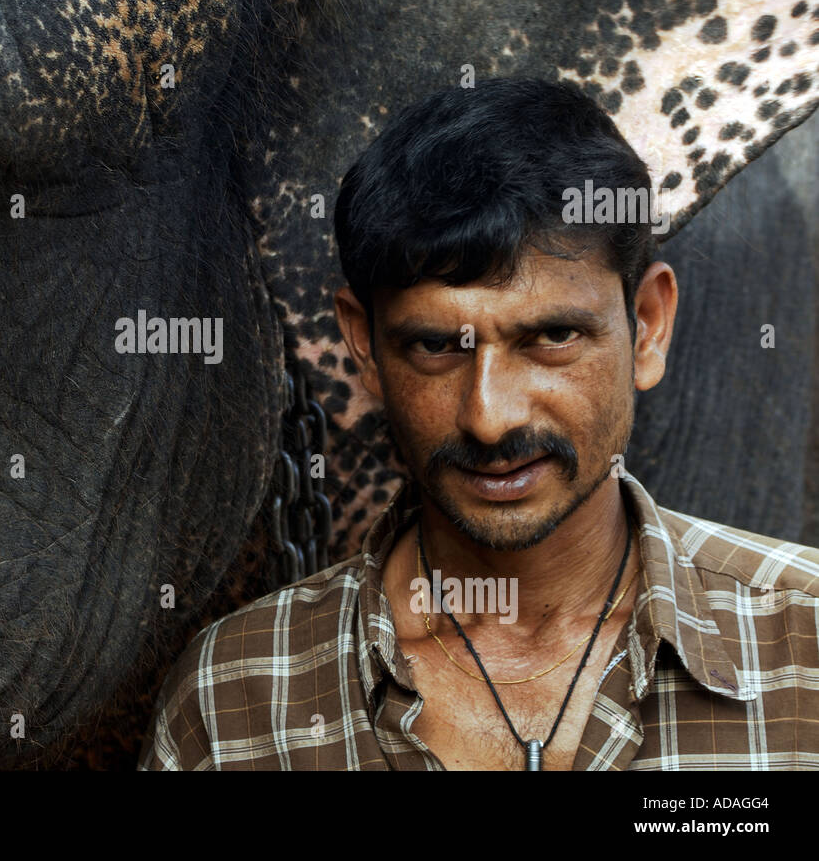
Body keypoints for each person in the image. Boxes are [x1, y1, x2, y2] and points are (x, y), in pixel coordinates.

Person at [139, 78, 819, 770]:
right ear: (364, 344)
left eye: (552, 336)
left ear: (648, 325)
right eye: (436, 346)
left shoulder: (809, 641)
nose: (490, 418)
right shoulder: (232, 703)